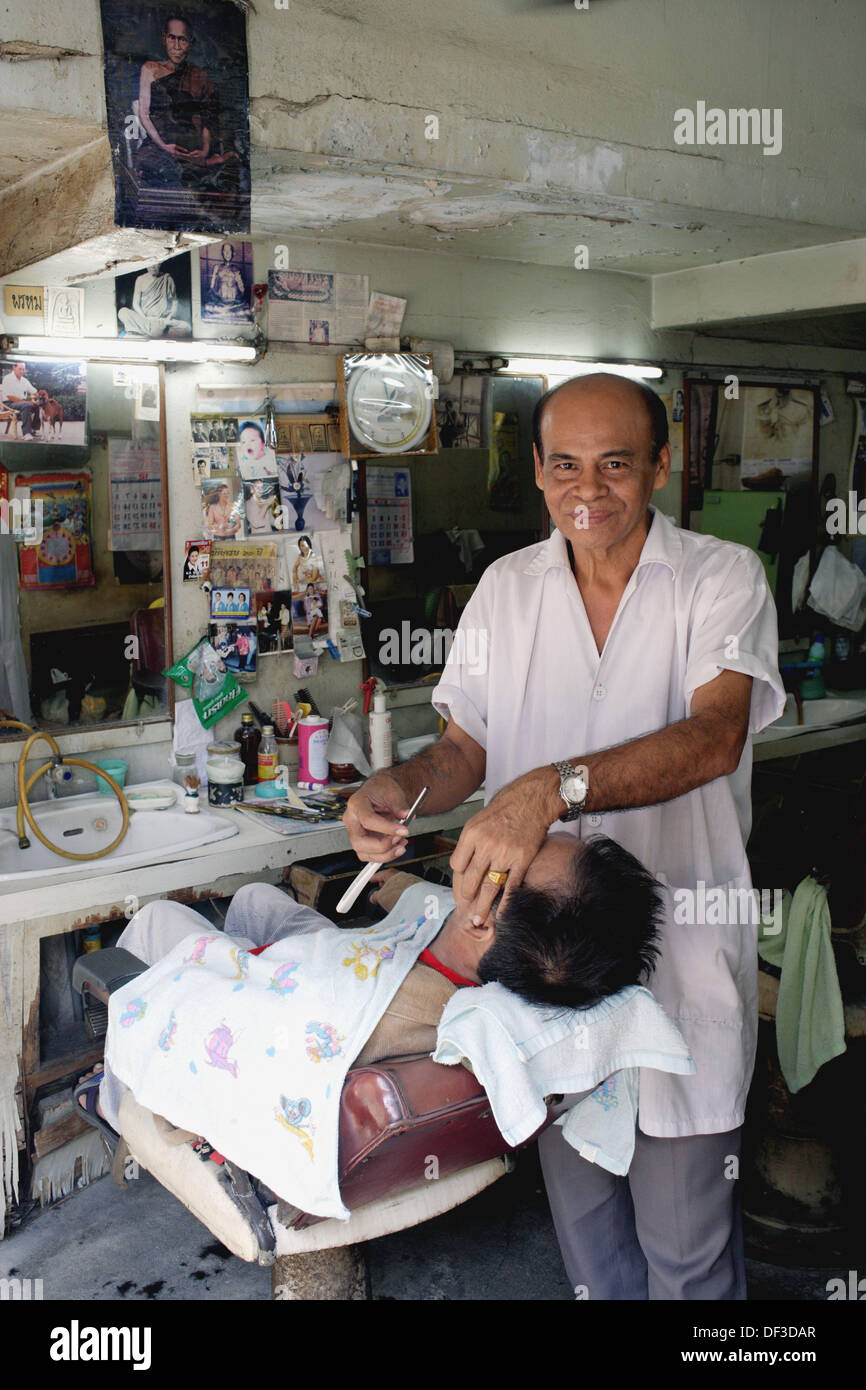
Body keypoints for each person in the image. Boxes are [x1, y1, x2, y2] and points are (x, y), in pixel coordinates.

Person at [344, 372, 786, 1301]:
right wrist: (400, 787)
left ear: (660, 467)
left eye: (616, 464)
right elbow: (465, 747)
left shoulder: (720, 577)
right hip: (548, 964)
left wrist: (553, 789)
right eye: (567, 466)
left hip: (683, 957)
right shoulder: (508, 591)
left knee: (688, 1249)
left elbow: (716, 736)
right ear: (539, 475)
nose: (590, 490)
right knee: (589, 1240)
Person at [78, 832, 662, 1148]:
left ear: (482, 920)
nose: (508, 841)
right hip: (357, 966)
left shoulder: (399, 1009)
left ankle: (113, 1097)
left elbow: (291, 1012)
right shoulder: (491, 962)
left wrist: (245, 968)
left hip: (293, 992)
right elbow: (437, 916)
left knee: (157, 920)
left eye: (520, 855)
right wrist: (398, 887)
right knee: (256, 901)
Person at [134, 15, 236, 194]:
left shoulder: (199, 75)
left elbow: (208, 119)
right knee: (148, 164)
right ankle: (211, 162)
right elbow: (143, 112)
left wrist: (204, 151)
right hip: (159, 142)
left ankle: (206, 161)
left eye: (183, 39)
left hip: (188, 143)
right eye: (171, 38)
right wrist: (163, 146)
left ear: (190, 42)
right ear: (164, 38)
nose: (176, 46)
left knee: (194, 172)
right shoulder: (150, 69)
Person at [118, 263, 188, 338]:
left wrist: (169, 318)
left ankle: (143, 332)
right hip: (145, 318)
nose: (152, 266)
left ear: (160, 264)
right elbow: (135, 303)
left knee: (186, 327)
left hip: (161, 320)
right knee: (123, 312)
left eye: (155, 263)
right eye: (150, 263)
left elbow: (175, 301)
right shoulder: (140, 279)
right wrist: (144, 318)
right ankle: (155, 331)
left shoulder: (167, 279)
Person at [1, 361, 42, 438]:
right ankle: (26, 433)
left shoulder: (24, 380)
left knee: (37, 405)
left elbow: (34, 391)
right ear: (14, 368)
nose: (22, 371)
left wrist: (42, 397)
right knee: (26, 405)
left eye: (23, 369)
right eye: (20, 369)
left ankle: (33, 429)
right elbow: (10, 397)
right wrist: (26, 402)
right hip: (9, 404)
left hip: (21, 403)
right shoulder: (7, 379)